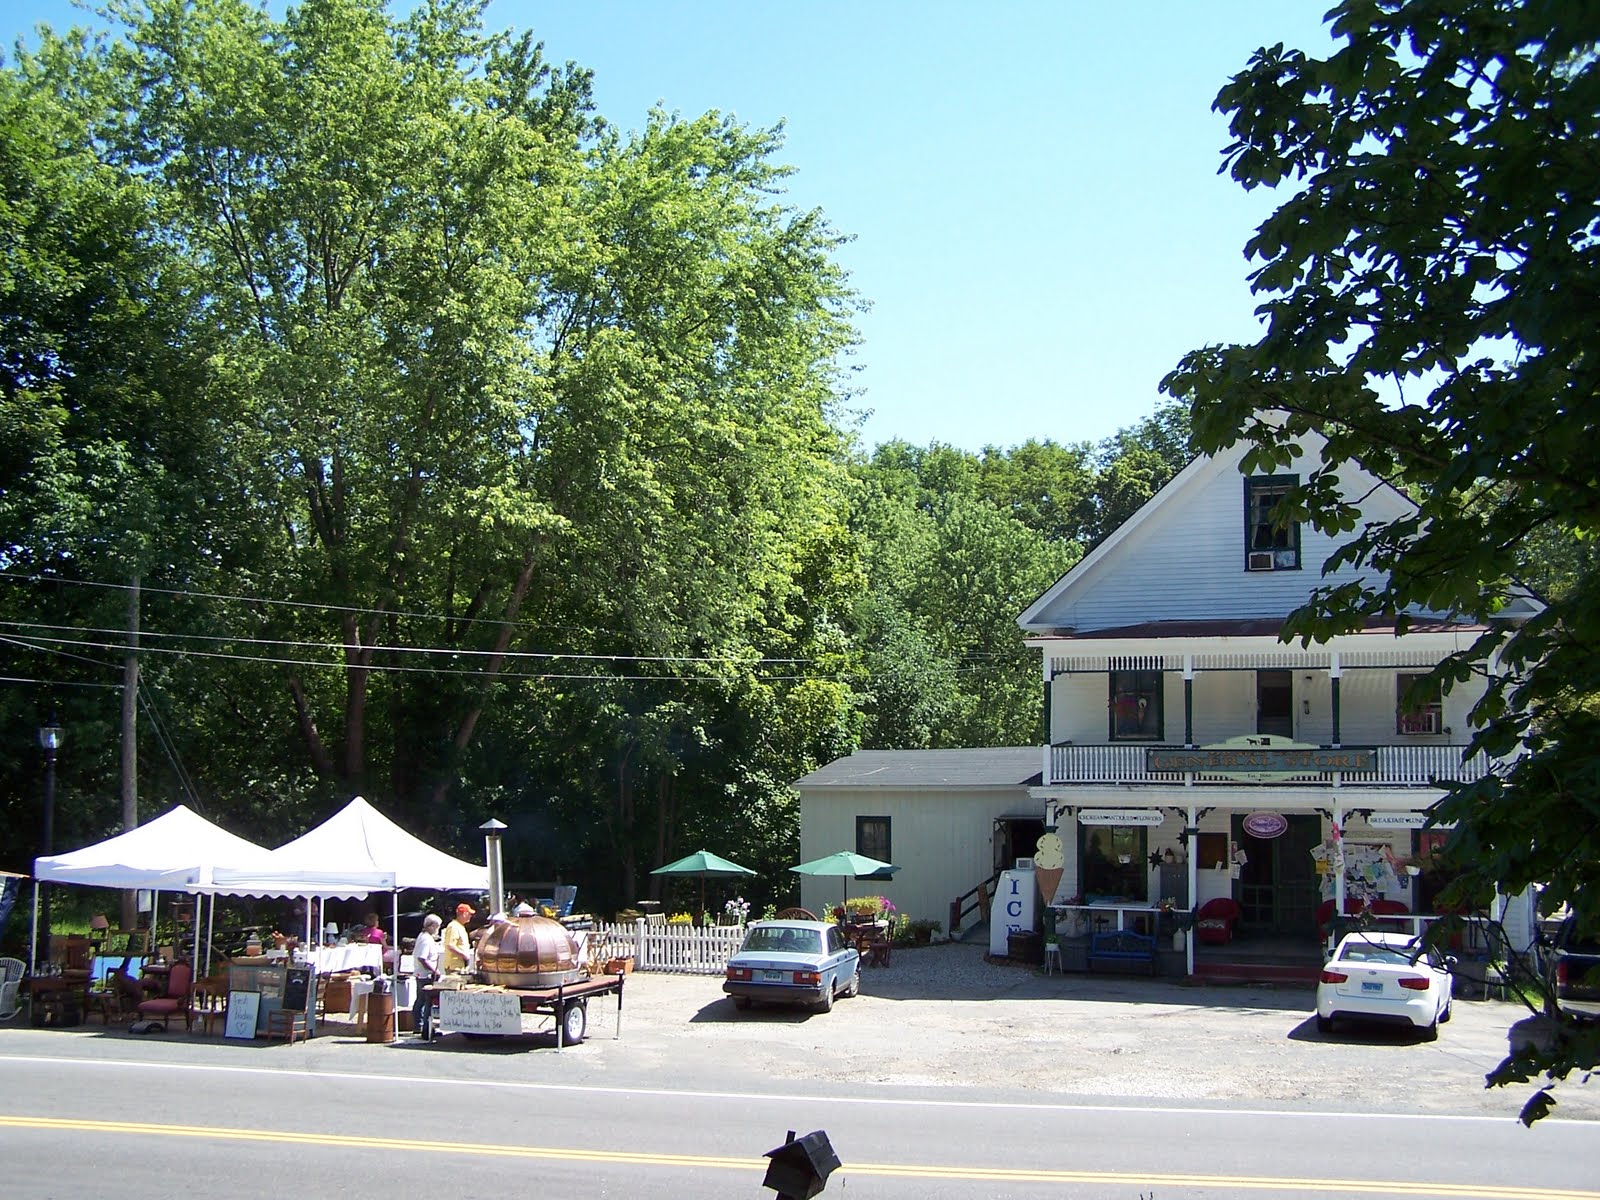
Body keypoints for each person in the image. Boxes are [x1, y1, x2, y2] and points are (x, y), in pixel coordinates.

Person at [411, 913, 442, 1038]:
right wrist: (435, 971)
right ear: (432, 926)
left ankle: (419, 1026)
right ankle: (425, 1029)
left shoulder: (423, 937)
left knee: (421, 1000)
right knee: (427, 1002)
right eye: (437, 926)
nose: (438, 929)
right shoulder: (425, 939)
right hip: (425, 975)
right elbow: (422, 958)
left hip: (422, 974)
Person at [442, 902, 474, 972]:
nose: (471, 916)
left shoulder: (460, 926)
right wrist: (464, 955)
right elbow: (450, 945)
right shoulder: (453, 927)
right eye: (470, 914)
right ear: (464, 914)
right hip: (454, 967)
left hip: (460, 966)